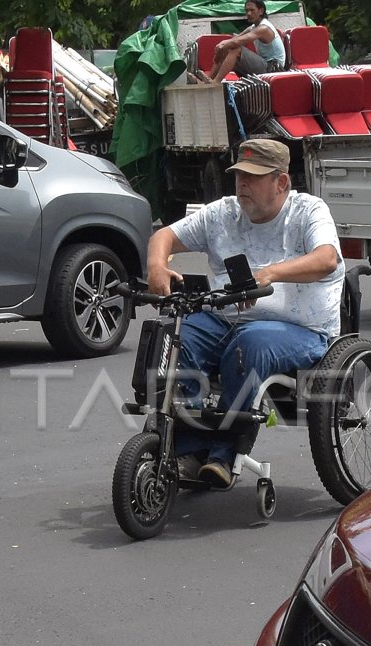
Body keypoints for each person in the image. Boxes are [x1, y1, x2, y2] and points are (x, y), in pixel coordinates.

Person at [146, 138, 344, 488]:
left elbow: (327, 259)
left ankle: (224, 454)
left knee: (249, 344)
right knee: (178, 336)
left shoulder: (309, 211)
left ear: (281, 182)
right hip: (224, 318)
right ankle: (188, 451)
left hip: (298, 326)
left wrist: (270, 272)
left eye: (252, 177)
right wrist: (157, 266)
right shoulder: (224, 212)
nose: (242, 185)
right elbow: (165, 235)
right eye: (239, 176)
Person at [200, 0, 286, 83]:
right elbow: (234, 39)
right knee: (227, 48)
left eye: (252, 10)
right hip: (265, 65)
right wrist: (221, 48)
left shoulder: (264, 28)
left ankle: (216, 82)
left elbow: (236, 42)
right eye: (247, 10)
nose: (248, 13)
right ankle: (208, 80)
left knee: (236, 49)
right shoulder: (253, 27)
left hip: (273, 69)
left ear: (261, 11)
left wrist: (221, 47)